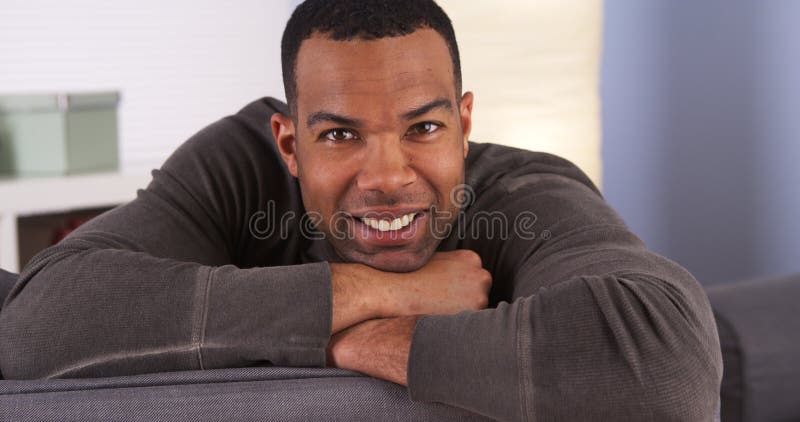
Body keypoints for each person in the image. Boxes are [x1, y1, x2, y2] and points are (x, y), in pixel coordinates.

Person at [0, 0, 722, 420]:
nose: (386, 177)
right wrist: (376, 299)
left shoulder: (522, 191)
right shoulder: (234, 166)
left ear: (465, 127)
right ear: (288, 141)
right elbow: (35, 326)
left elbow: (666, 364)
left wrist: (369, 341)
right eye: (341, 134)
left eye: (423, 128)